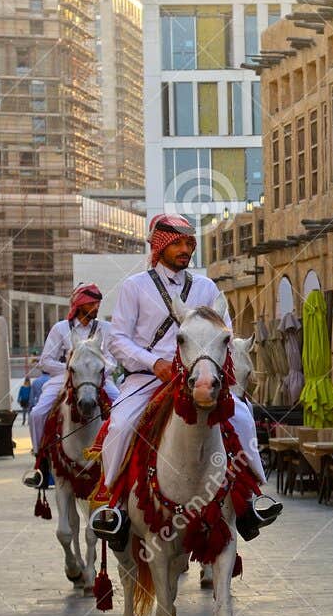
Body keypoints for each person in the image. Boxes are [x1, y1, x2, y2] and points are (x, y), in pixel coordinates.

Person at [89, 213, 281, 549]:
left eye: (188, 243)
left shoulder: (206, 288)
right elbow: (118, 340)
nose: (184, 249)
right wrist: (155, 362)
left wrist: (211, 367)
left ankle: (251, 501)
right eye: (176, 243)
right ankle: (115, 506)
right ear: (159, 246)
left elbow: (226, 333)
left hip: (199, 378)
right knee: (119, 426)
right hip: (148, 378)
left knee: (243, 417)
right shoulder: (136, 287)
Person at [23, 283, 117, 489]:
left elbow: (113, 359)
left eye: (97, 303)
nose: (96, 307)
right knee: (37, 413)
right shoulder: (61, 329)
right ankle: (40, 464)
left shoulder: (106, 328)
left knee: (121, 405)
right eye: (92, 303)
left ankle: (124, 459)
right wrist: (70, 369)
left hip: (98, 379)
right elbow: (46, 361)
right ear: (80, 304)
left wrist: (98, 371)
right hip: (64, 377)